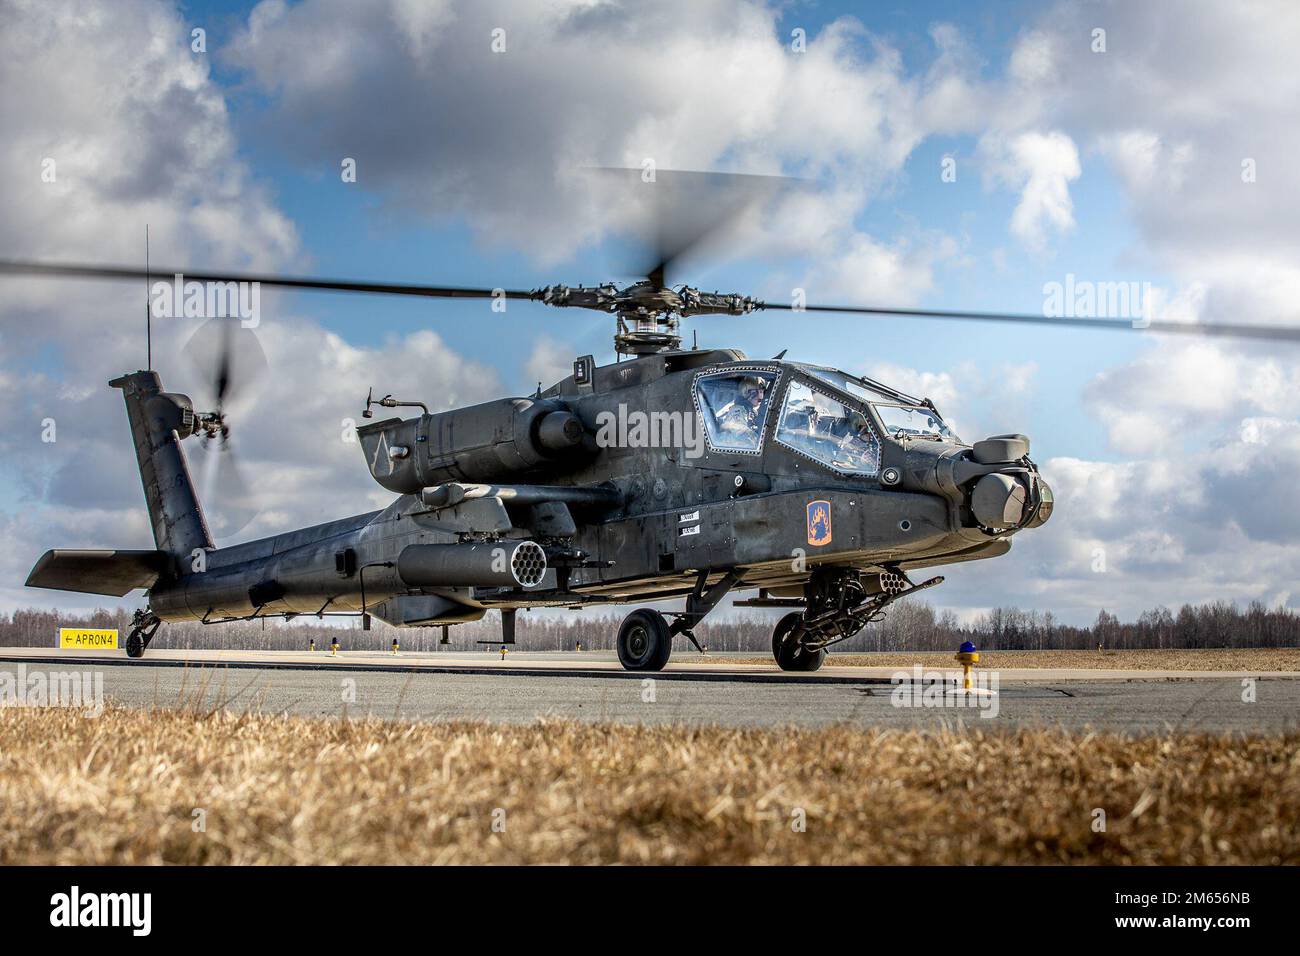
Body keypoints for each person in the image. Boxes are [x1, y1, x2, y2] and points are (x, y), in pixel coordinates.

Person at [715, 376, 767, 442]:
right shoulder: (737, 410)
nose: (761, 397)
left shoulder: (751, 411)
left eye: (762, 392)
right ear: (748, 393)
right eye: (759, 392)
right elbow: (741, 433)